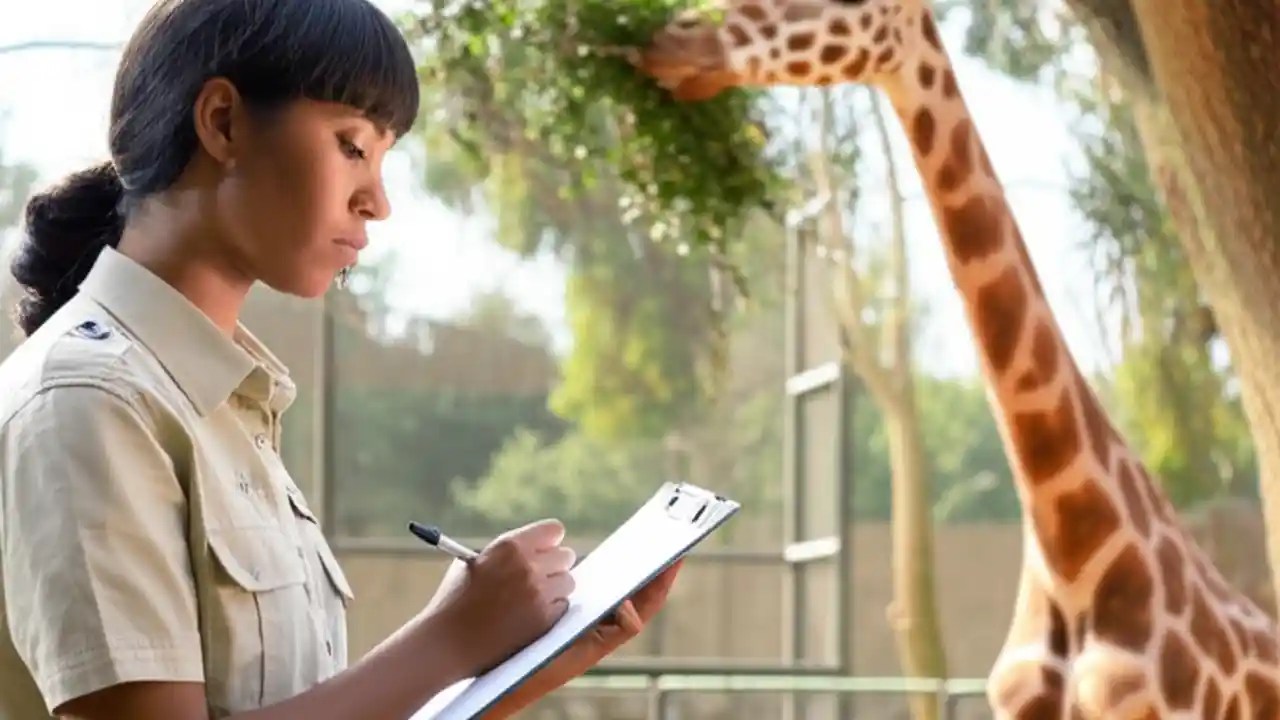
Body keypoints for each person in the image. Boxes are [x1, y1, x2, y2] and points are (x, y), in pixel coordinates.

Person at [0, 0, 682, 718]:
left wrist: (524, 660)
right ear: (223, 122)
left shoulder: (221, 406)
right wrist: (447, 640)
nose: (378, 201)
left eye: (386, 158)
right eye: (352, 146)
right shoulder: (91, 400)